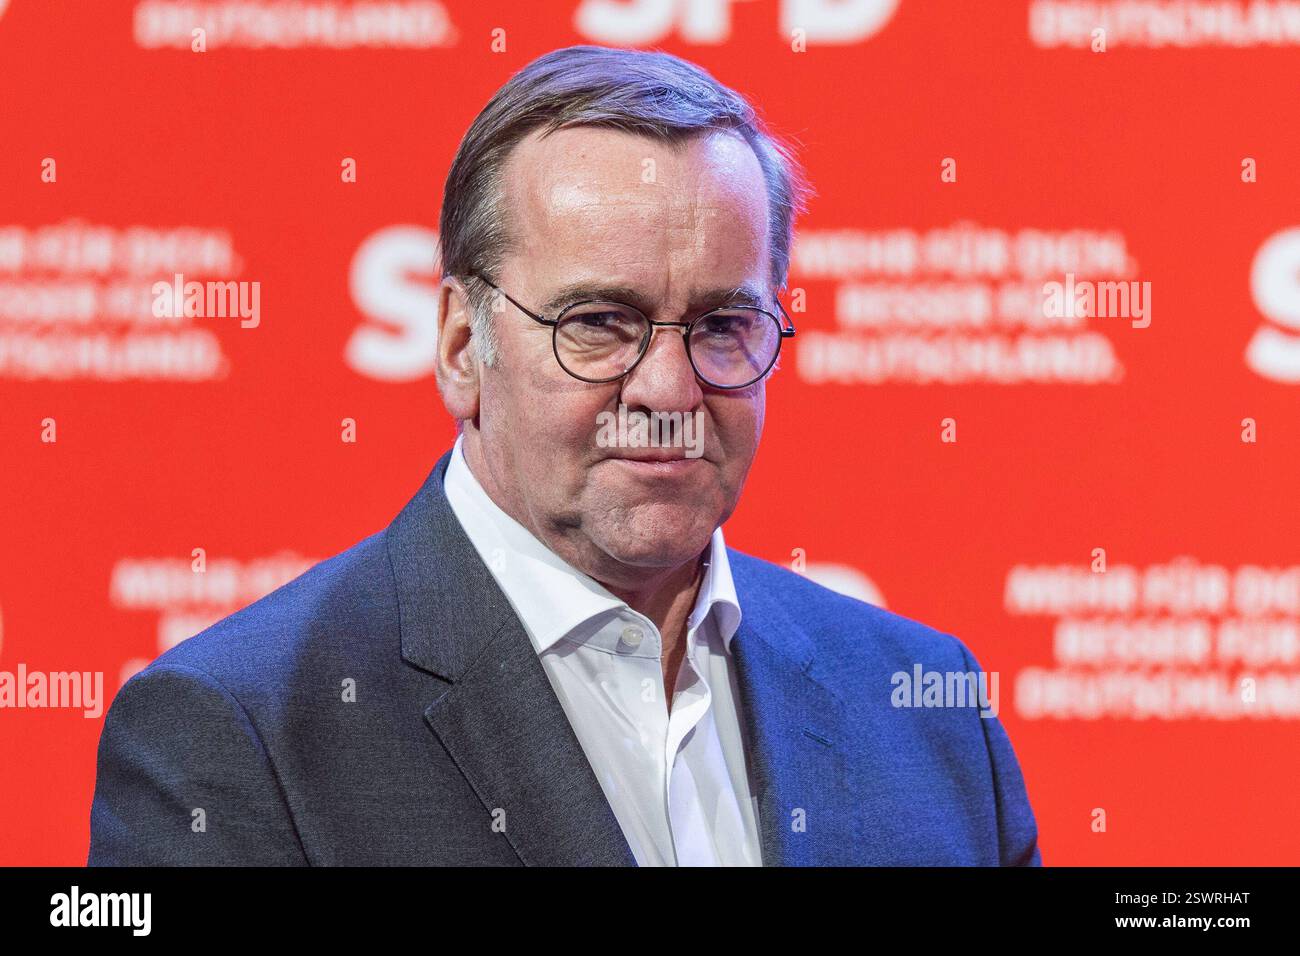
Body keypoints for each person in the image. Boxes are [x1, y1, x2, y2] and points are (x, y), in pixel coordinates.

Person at [88, 44, 1041, 866]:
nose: (668, 390)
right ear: (463, 346)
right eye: (598, 323)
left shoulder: (923, 704)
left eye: (723, 325)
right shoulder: (238, 735)